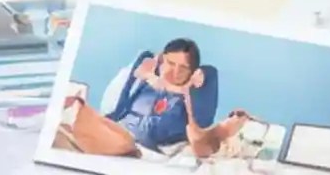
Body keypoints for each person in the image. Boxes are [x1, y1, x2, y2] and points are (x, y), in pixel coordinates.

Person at [59, 38, 249, 159]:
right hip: (119, 128)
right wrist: (146, 72)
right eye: (170, 63)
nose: (175, 72)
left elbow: (201, 121)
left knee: (110, 136)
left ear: (192, 71)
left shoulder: (192, 92)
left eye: (183, 68)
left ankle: (74, 118)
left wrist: (194, 79)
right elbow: (114, 107)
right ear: (161, 59)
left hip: (137, 147)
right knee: (82, 117)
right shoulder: (145, 78)